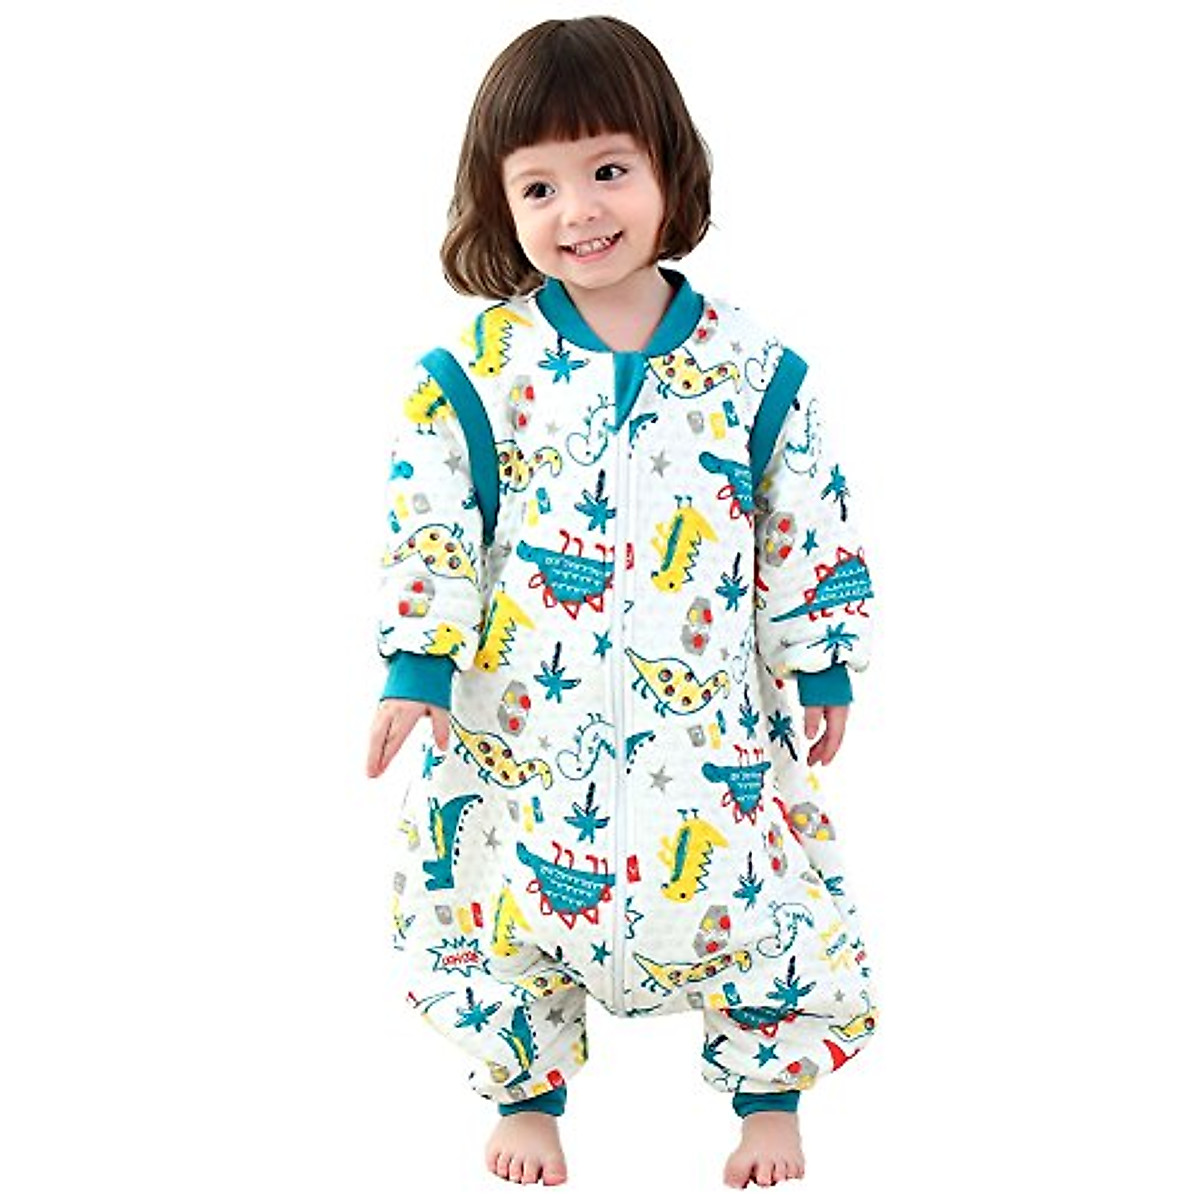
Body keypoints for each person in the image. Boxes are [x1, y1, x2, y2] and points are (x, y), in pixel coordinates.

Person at [365, 16, 879, 1189]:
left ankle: (769, 1097)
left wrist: (823, 660)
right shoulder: (477, 375)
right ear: (500, 204)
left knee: (768, 898)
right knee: (491, 899)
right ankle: (526, 1091)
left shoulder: (755, 370)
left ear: (667, 170)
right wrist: (416, 665)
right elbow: (431, 523)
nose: (580, 211)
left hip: (710, 730)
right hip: (523, 731)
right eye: (539, 186)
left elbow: (806, 515)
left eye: (608, 170)